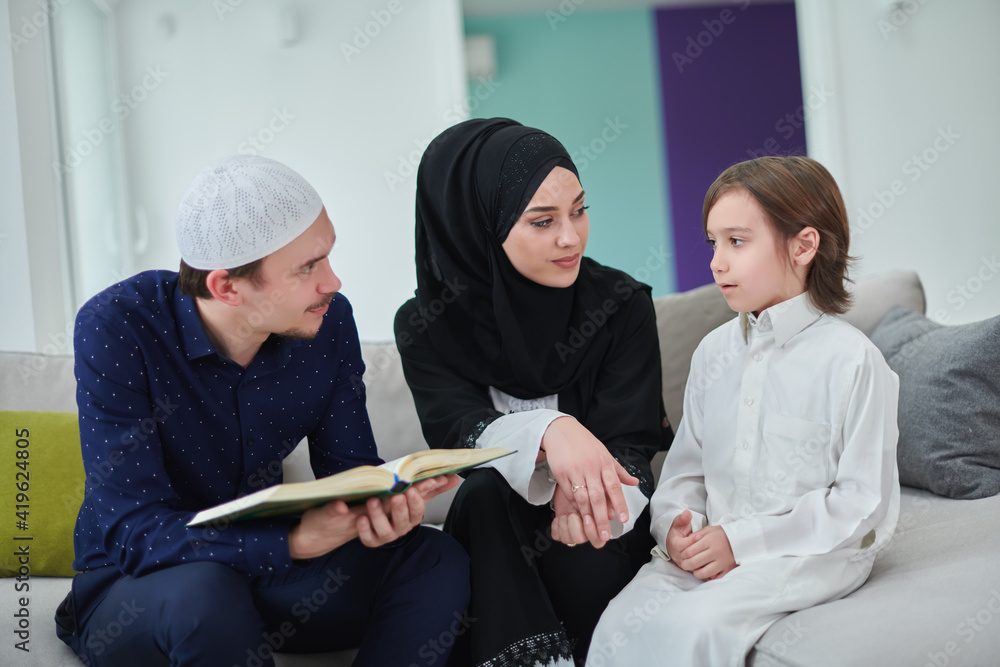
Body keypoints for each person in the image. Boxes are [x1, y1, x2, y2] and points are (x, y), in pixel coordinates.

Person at [54, 155, 470, 667]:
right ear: (226, 286)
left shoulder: (328, 322)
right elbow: (134, 531)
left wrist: (380, 509)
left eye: (327, 256)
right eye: (307, 268)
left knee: (433, 558)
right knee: (205, 592)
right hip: (145, 584)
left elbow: (351, 472)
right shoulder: (117, 325)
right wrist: (291, 540)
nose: (333, 282)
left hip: (272, 580)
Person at [586, 156, 900, 666]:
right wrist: (676, 528)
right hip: (711, 548)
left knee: (699, 626)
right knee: (620, 622)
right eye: (713, 242)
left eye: (737, 241)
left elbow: (862, 503)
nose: (716, 262)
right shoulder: (713, 352)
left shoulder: (853, 360)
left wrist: (742, 541)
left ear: (803, 245)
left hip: (808, 553)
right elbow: (685, 470)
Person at [393, 118, 673, 666]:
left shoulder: (619, 306)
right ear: (475, 228)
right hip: (496, 539)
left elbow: (633, 442)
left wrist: (590, 495)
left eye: (579, 210)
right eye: (542, 221)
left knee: (494, 503)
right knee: (484, 495)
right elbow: (457, 432)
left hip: (601, 531)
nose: (570, 237)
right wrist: (552, 432)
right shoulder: (428, 323)